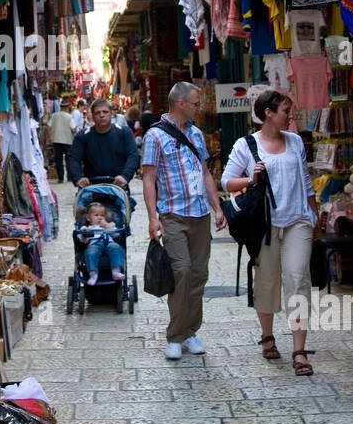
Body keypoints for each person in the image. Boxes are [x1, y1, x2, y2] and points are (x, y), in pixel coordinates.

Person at [222, 90, 319, 376]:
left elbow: (306, 180)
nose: (290, 116)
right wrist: (250, 179)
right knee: (266, 280)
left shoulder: (296, 142)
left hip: (297, 220)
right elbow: (227, 181)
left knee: (298, 277)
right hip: (265, 225)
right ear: (268, 113)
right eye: (286, 111)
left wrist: (315, 216)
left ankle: (299, 350)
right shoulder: (246, 145)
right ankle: (267, 336)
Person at [142, 82, 226, 360]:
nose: (199, 108)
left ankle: (191, 330)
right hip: (173, 215)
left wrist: (218, 208)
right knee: (182, 271)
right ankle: (176, 336)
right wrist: (153, 218)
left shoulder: (197, 135)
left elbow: (206, 173)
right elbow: (149, 178)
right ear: (180, 104)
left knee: (199, 274)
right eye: (196, 103)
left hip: (199, 213)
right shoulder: (155, 136)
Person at [68, 98, 138, 190]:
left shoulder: (124, 133)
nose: (102, 115)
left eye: (105, 112)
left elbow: (133, 155)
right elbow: (73, 158)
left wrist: (125, 176)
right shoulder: (83, 136)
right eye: (97, 113)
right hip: (90, 187)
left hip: (118, 186)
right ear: (92, 115)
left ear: (112, 114)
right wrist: (78, 178)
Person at [79, 200, 125, 284]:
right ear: (88, 218)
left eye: (102, 215)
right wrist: (85, 232)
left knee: (116, 247)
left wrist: (107, 226)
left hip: (109, 243)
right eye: (96, 215)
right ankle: (93, 274)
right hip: (95, 245)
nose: (100, 218)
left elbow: (117, 235)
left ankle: (116, 271)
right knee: (90, 252)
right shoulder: (88, 228)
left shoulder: (110, 225)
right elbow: (81, 239)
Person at [48, 100, 75, 182]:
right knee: (69, 159)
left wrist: (51, 135)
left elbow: (49, 127)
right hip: (67, 141)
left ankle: (60, 178)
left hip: (56, 140)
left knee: (58, 159)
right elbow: (73, 129)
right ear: (67, 108)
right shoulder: (69, 117)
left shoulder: (54, 116)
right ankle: (70, 177)